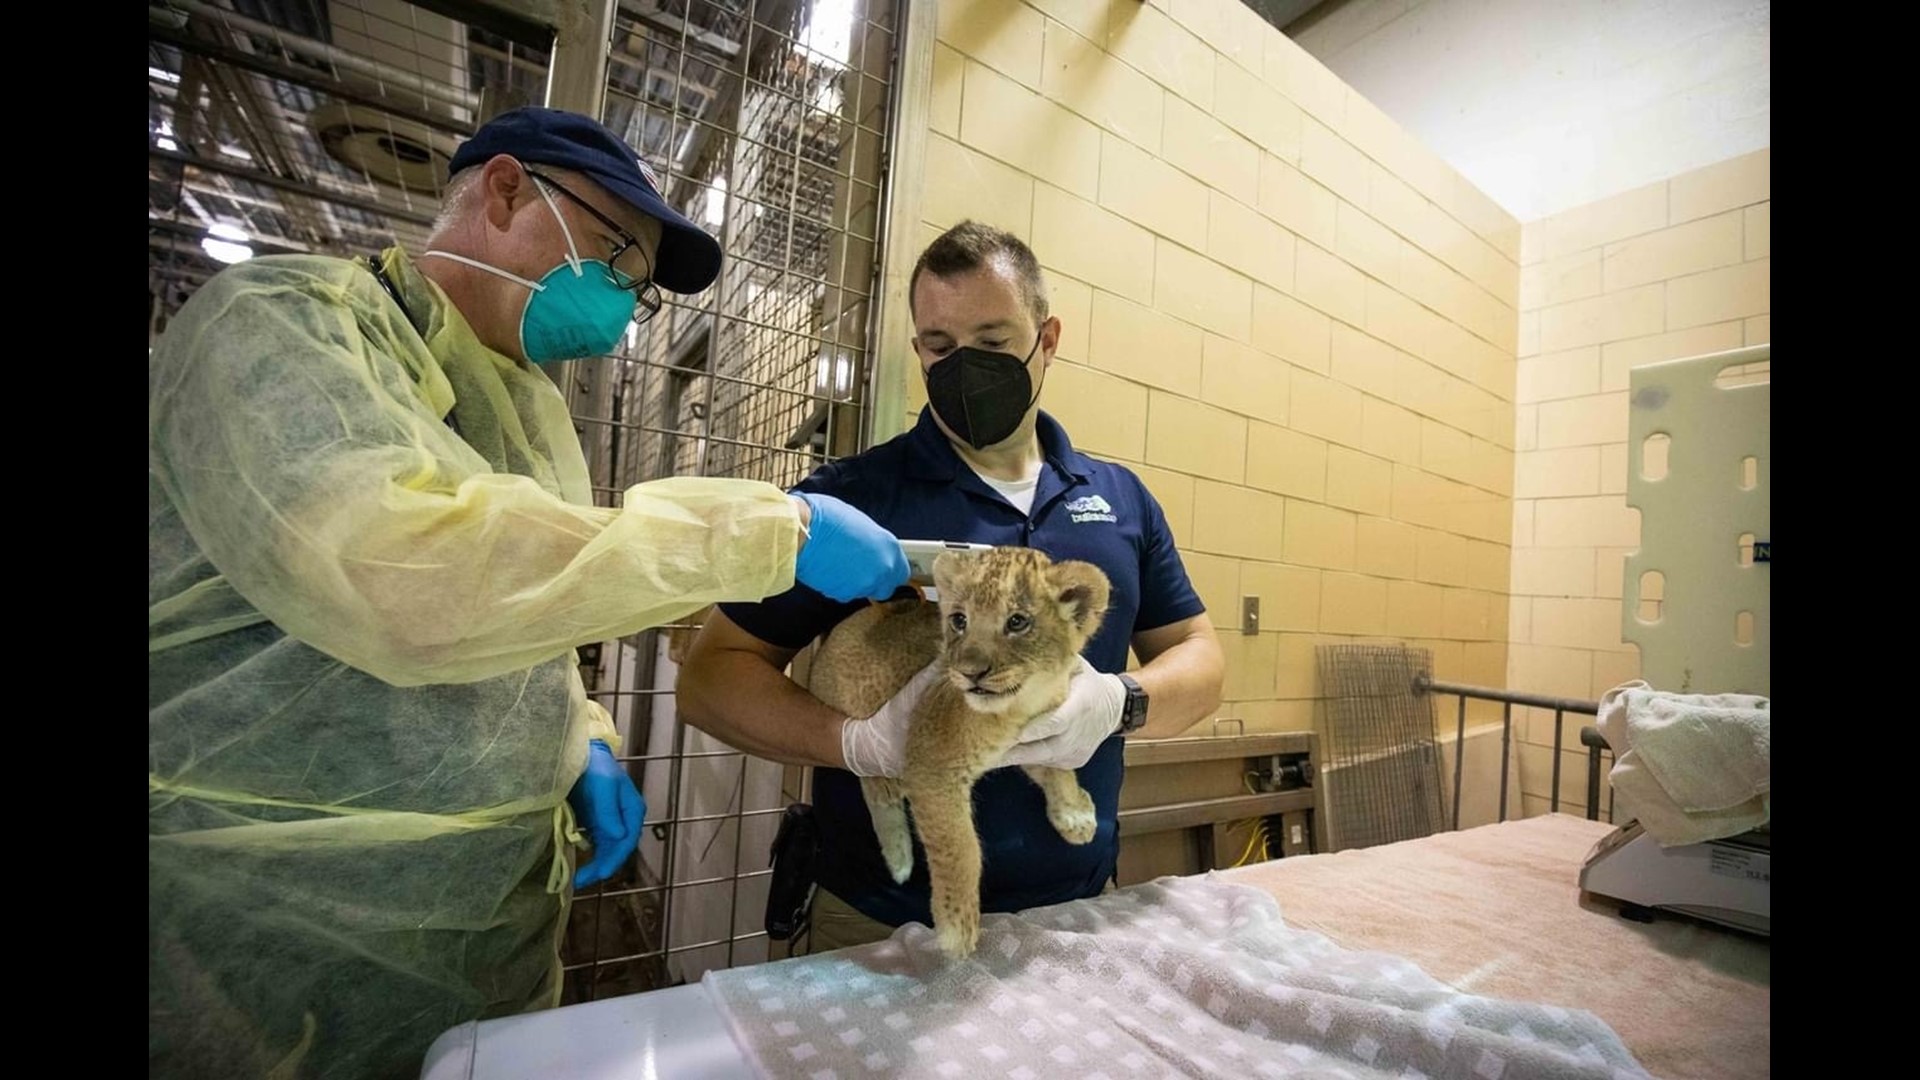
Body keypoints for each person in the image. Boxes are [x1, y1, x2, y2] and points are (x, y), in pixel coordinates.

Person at [148, 106, 908, 1079]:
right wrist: (765, 533)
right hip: (276, 929)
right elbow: (400, 571)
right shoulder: (281, 326)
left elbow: (532, 596)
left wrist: (578, 731)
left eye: (638, 288)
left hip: (492, 934)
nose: (623, 303)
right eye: (613, 252)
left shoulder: (531, 407)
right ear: (506, 188)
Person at [678, 220, 1226, 951]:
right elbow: (711, 676)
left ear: (1048, 338)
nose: (965, 367)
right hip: (880, 920)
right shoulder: (855, 499)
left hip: (1079, 907)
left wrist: (1118, 703)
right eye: (940, 347)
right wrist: (858, 743)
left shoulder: (1118, 500)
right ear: (919, 350)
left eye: (994, 343)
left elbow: (1200, 654)